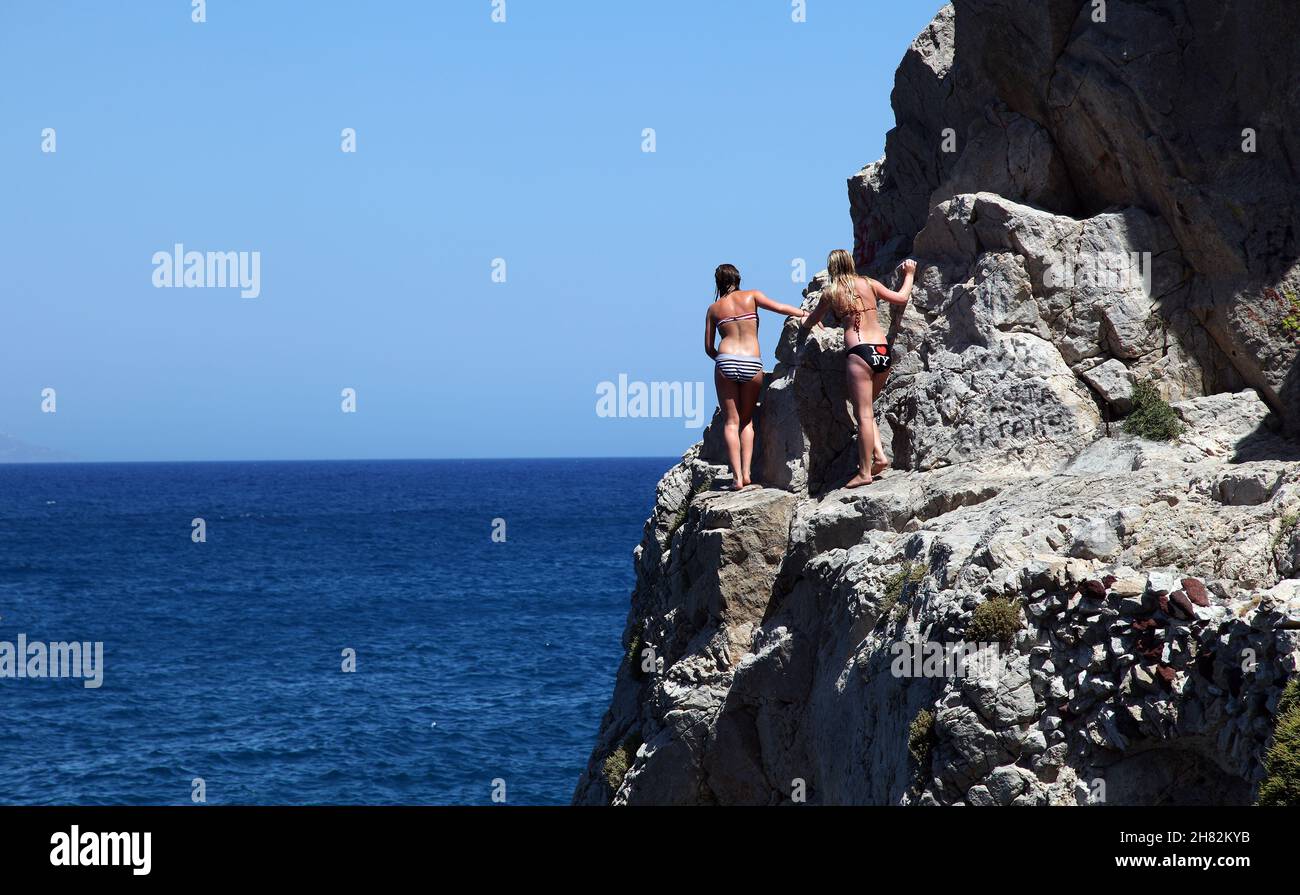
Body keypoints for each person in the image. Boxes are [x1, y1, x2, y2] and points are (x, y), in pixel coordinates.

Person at [801, 250, 916, 488]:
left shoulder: (831, 292)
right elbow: (901, 297)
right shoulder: (869, 283)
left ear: (831, 268)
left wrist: (804, 323)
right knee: (867, 409)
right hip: (883, 352)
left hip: (860, 352)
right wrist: (910, 274)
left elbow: (812, 320)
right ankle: (881, 457)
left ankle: (864, 472)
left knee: (862, 414)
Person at [705, 264, 807, 490]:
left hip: (726, 360)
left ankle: (736, 479)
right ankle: (747, 473)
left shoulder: (714, 309)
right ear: (738, 278)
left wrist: (724, 362)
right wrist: (804, 314)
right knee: (746, 420)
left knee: (731, 421)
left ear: (718, 282)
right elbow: (780, 307)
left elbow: (708, 348)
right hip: (752, 361)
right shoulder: (752, 296)